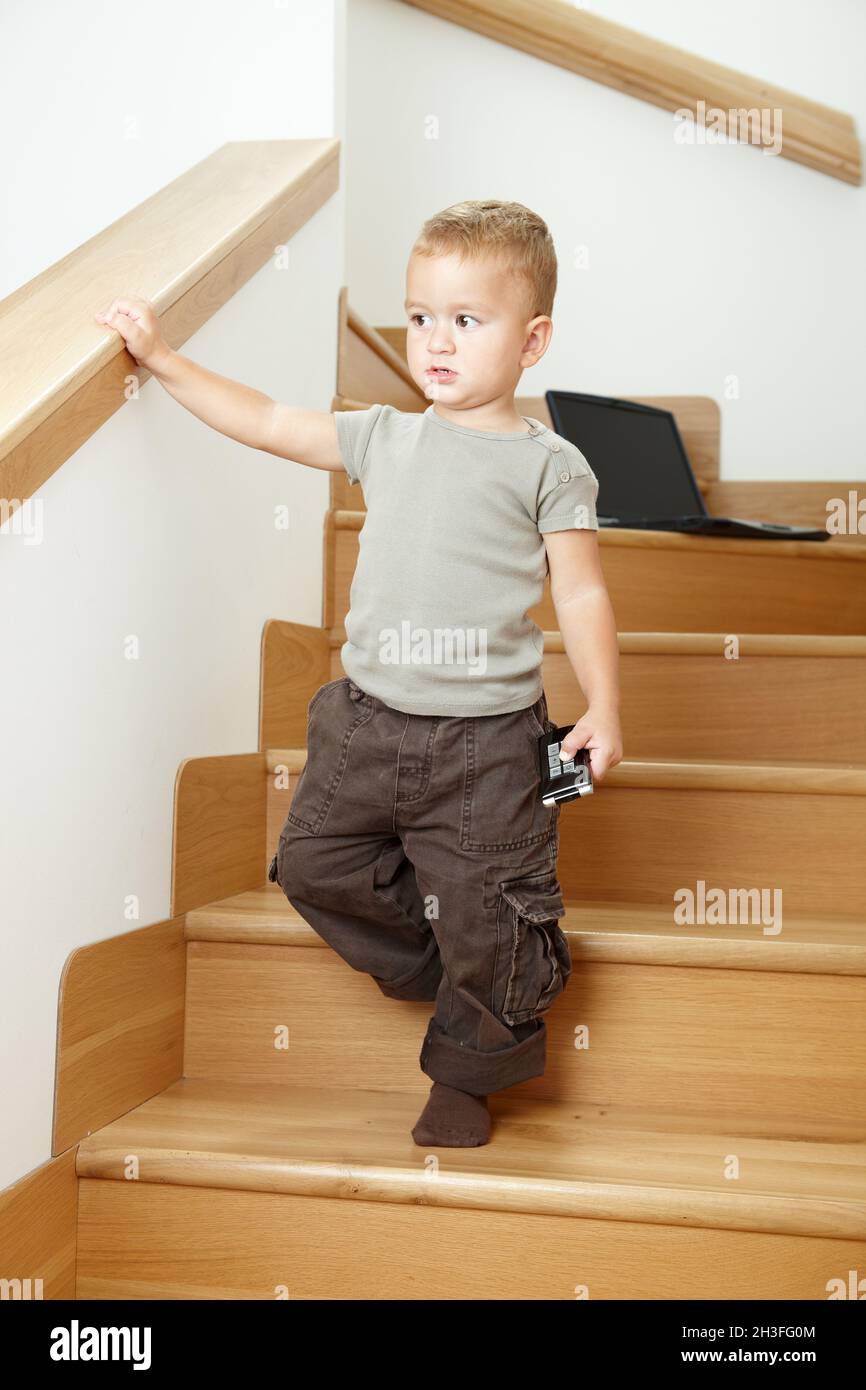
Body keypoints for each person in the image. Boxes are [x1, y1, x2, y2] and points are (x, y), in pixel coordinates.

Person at [95, 198, 623, 1148]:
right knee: (310, 864)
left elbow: (580, 595)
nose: (437, 342)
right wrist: (165, 360)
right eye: (420, 317)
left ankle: (469, 1061)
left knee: (487, 906)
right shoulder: (386, 436)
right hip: (369, 723)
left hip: (489, 744)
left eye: (468, 320)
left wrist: (606, 709)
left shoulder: (552, 465)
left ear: (532, 338)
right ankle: (447, 969)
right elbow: (261, 419)